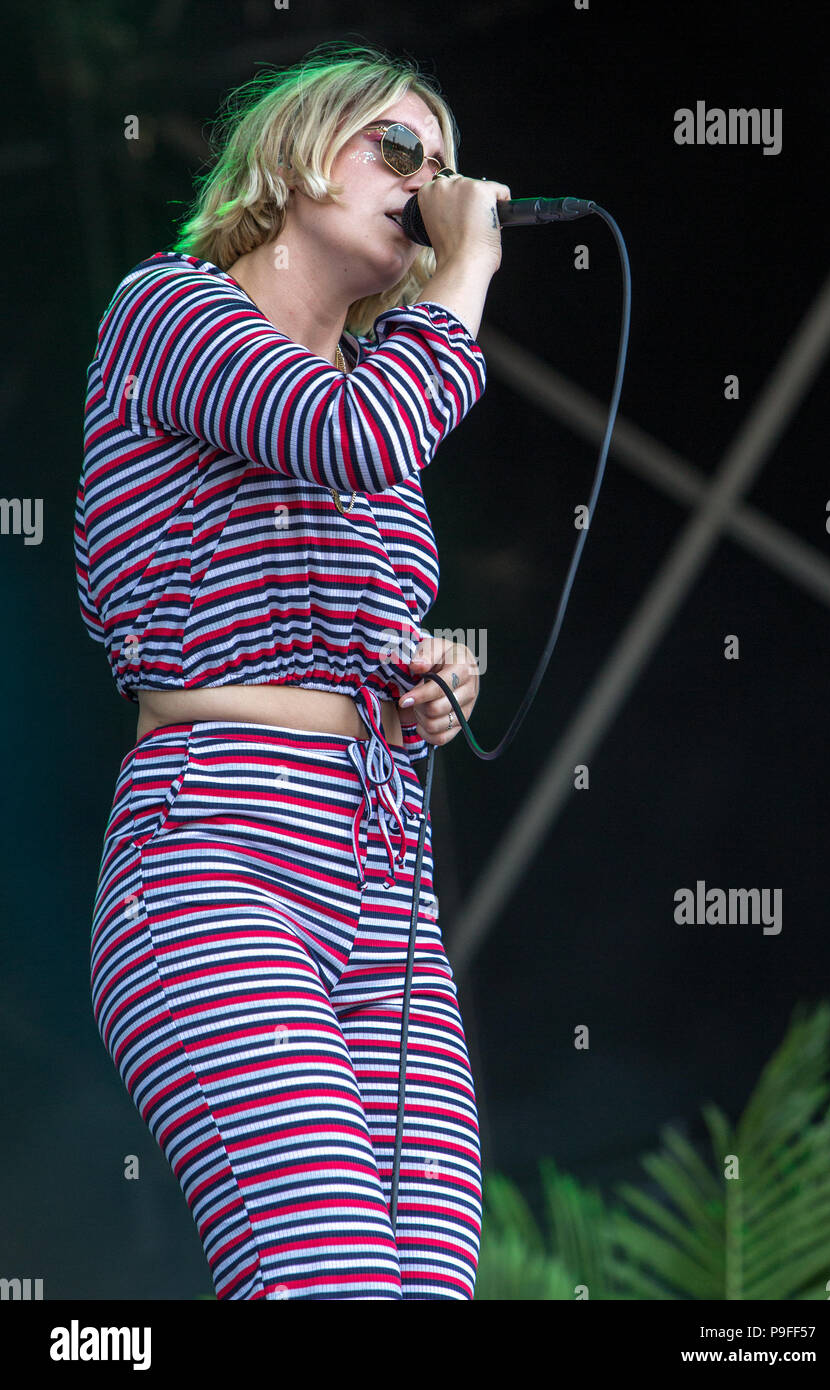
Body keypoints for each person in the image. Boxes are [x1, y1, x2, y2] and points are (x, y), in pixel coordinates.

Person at [74, 40, 509, 1300]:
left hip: (384, 875)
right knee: (320, 1272)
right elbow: (348, 436)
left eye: (442, 169)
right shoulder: (171, 308)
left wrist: (432, 676)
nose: (428, 185)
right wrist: (467, 267)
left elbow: (369, 596)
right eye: (397, 151)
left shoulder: (370, 387)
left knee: (421, 1283)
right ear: (291, 154)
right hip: (219, 848)